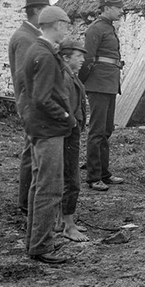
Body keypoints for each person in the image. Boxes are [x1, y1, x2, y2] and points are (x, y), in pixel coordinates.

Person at [22, 6, 74, 264]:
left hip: (39, 128)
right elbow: (42, 99)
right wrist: (65, 116)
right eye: (65, 24)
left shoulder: (38, 50)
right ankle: (41, 246)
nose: (67, 28)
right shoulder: (43, 54)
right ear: (54, 24)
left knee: (37, 185)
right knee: (50, 188)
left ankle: (34, 241)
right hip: (48, 129)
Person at [8, 0, 50, 214]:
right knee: (30, 153)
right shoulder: (24, 38)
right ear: (38, 11)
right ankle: (26, 202)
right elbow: (25, 78)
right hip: (31, 104)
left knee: (31, 151)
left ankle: (26, 200)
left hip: (33, 102)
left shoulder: (31, 35)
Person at [80, 0, 126, 191]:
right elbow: (87, 58)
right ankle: (93, 176)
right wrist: (81, 83)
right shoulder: (96, 29)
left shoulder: (108, 27)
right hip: (98, 85)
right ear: (106, 7)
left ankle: (104, 173)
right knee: (97, 131)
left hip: (108, 85)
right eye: (118, 7)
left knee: (107, 130)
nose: (121, 11)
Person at [58, 39, 90, 242]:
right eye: (78, 56)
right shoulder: (64, 77)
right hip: (68, 132)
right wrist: (72, 124)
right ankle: (68, 226)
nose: (82, 60)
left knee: (68, 177)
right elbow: (63, 107)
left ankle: (63, 221)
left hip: (72, 130)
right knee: (72, 179)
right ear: (65, 58)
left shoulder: (70, 75)